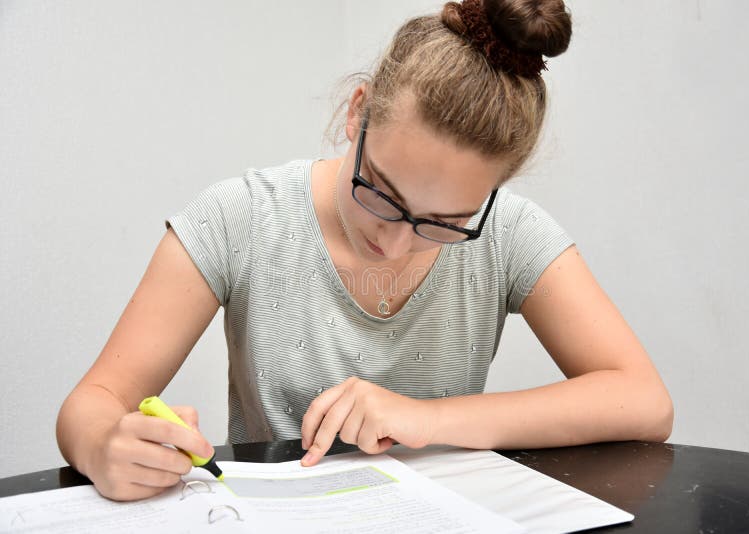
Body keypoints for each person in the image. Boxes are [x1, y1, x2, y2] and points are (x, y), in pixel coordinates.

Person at [56, 0, 673, 502]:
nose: (395, 241)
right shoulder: (239, 218)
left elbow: (644, 401)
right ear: (358, 113)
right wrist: (105, 446)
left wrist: (428, 420)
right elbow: (91, 404)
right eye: (380, 192)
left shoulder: (509, 233)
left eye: (444, 221)